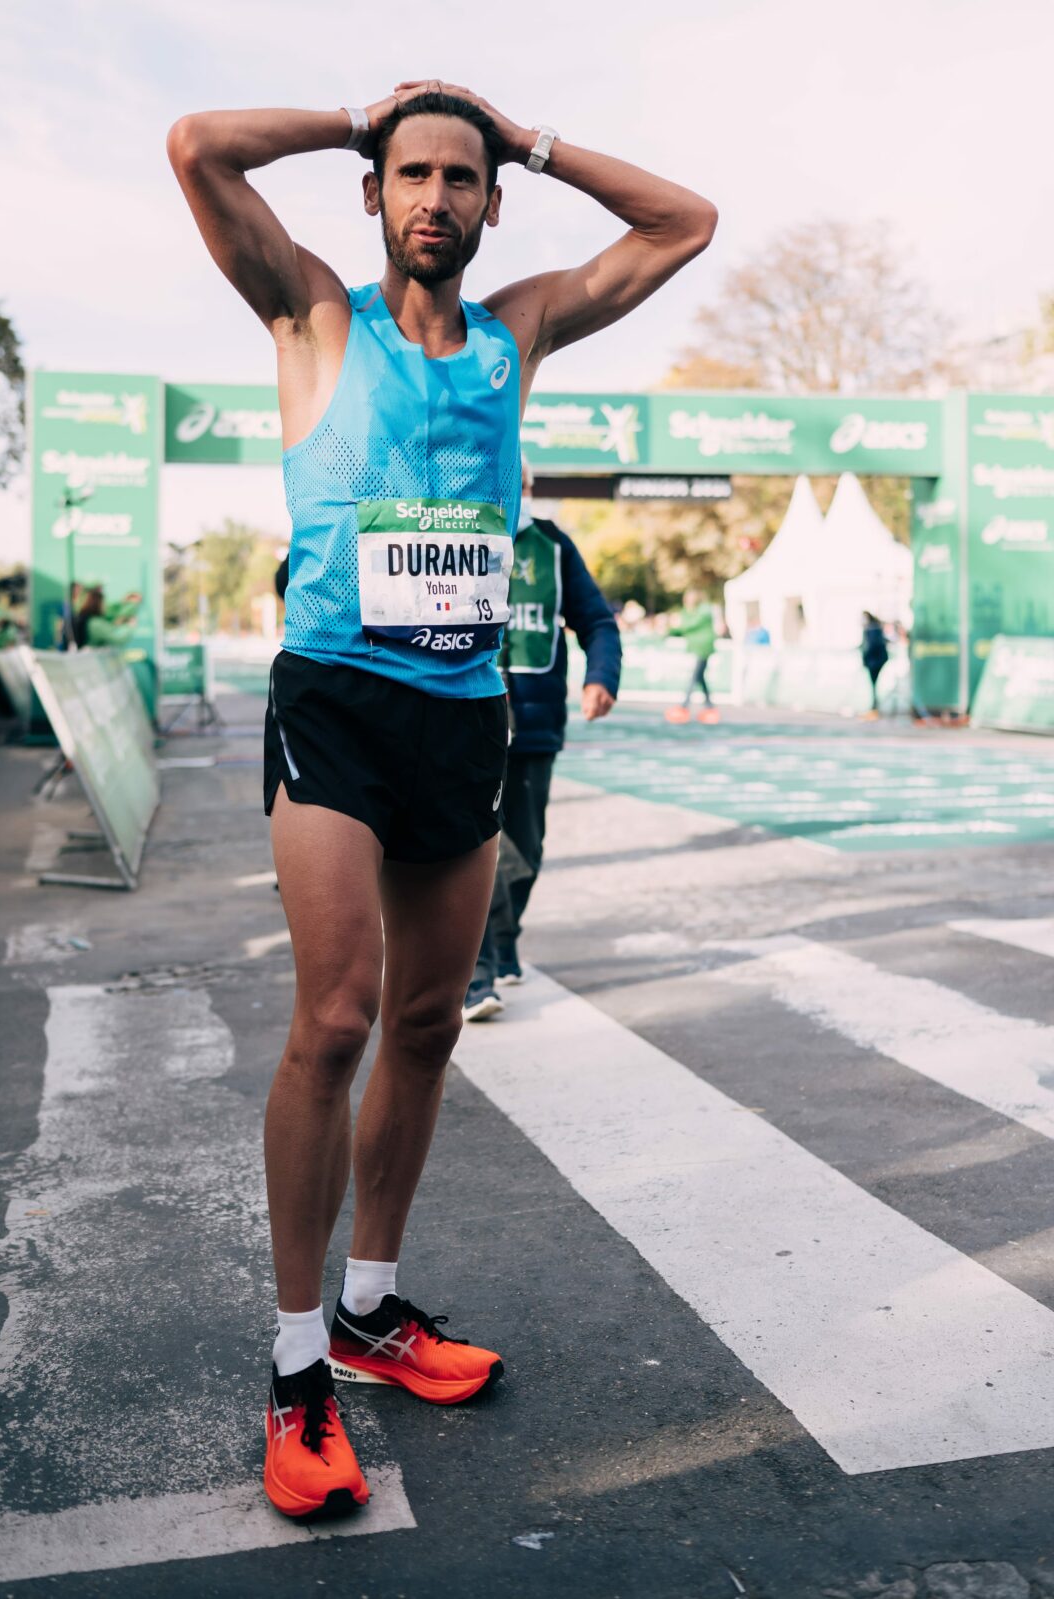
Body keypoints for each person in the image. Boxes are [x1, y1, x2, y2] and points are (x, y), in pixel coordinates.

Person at [169, 80, 716, 1519]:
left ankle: (369, 1308)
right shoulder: (311, 316)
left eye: (461, 178)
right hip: (338, 701)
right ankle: (295, 1368)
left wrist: (529, 135)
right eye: (409, 173)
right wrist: (356, 118)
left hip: (464, 713)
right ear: (375, 192)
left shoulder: (514, 332)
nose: (434, 197)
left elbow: (684, 221)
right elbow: (197, 149)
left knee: (426, 1015)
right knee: (337, 1016)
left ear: (488, 203)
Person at [464, 460, 620, 1020]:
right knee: (471, 847)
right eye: (506, 482)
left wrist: (601, 676)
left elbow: (597, 621)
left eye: (523, 484)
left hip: (535, 725)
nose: (516, 492)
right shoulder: (460, 531)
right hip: (467, 720)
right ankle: (474, 976)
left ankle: (503, 943)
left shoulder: (553, 545)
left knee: (524, 853)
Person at [668, 587, 718, 723]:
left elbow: (687, 625)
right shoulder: (691, 611)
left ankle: (684, 707)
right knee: (700, 678)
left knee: (695, 677)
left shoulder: (704, 611)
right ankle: (710, 707)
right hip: (697, 647)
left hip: (703, 648)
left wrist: (672, 626)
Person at [860, 610, 889, 719]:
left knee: (874, 686)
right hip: (876, 661)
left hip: (874, 662)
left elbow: (871, 647)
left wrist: (866, 659)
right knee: (874, 686)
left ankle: (874, 708)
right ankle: (874, 708)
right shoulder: (876, 629)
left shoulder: (871, 630)